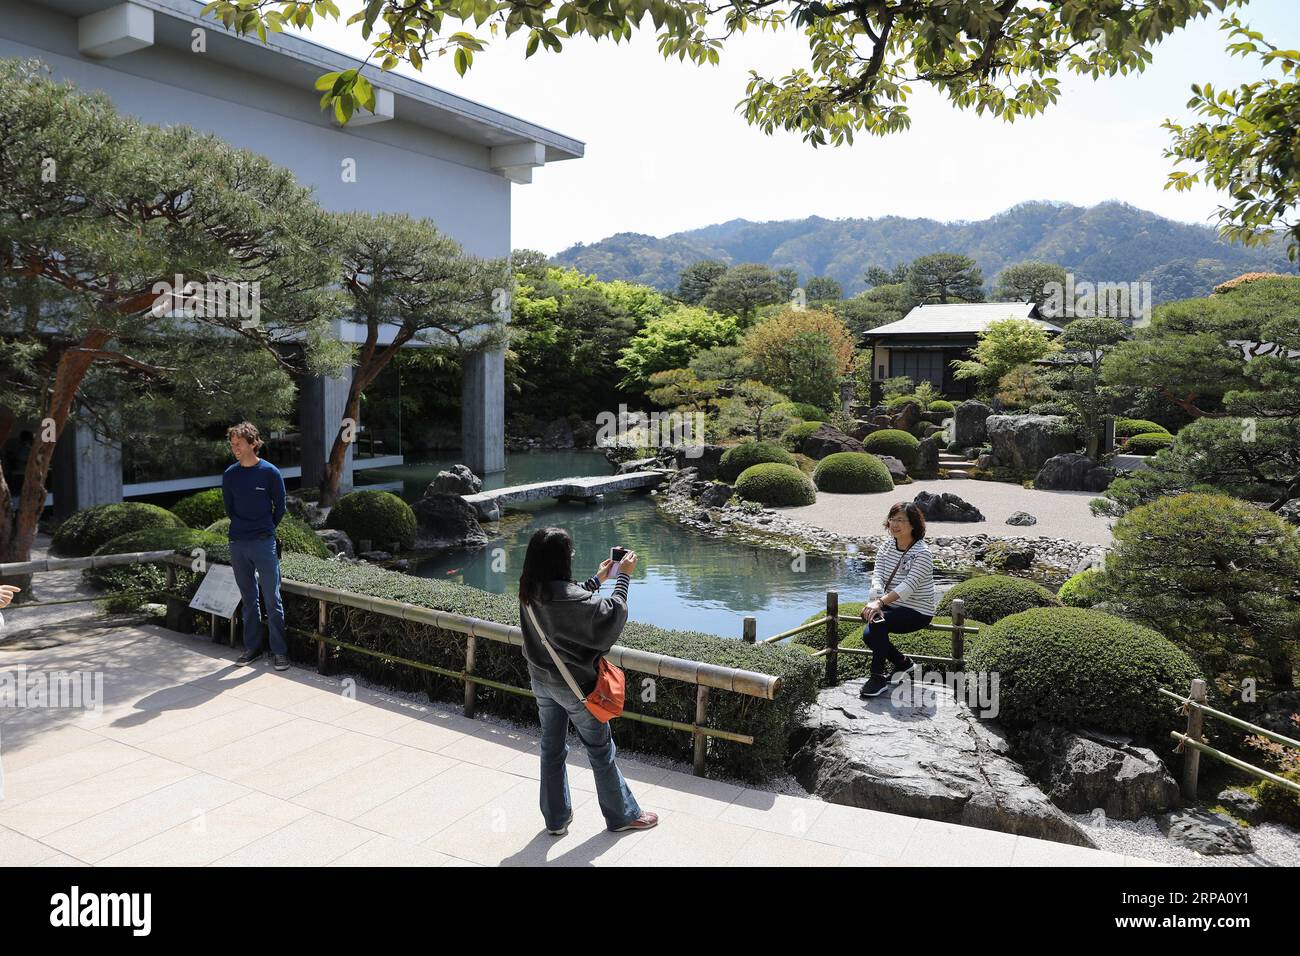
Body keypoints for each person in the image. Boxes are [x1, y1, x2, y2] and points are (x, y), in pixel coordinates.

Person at [518, 527, 658, 836]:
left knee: (551, 749)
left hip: (541, 680)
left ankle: (555, 820)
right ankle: (622, 815)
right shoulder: (563, 597)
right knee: (600, 750)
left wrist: (598, 580)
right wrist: (624, 577)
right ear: (561, 560)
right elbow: (611, 615)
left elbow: (566, 603)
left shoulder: (529, 588)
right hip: (575, 687)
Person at [221, 421, 289, 671]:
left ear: (252, 443)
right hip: (238, 543)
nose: (234, 448)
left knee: (272, 598)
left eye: (238, 444)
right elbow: (230, 508)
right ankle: (252, 648)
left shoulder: (270, 473)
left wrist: (265, 529)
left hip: (264, 543)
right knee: (249, 598)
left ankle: (280, 652)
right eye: (232, 444)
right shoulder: (230, 475)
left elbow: (280, 508)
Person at [858, 501, 936, 698]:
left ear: (913, 524)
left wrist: (880, 604)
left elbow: (907, 587)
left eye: (901, 520)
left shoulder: (922, 553)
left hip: (918, 611)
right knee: (869, 635)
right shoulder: (886, 546)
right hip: (890, 607)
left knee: (878, 624)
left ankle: (877, 677)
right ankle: (904, 664)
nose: (894, 524)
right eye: (892, 519)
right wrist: (875, 598)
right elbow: (878, 575)